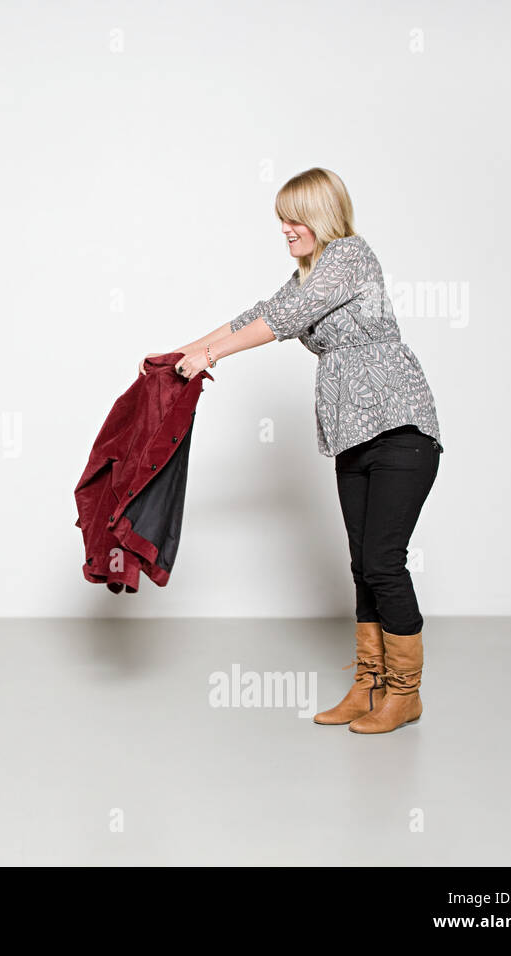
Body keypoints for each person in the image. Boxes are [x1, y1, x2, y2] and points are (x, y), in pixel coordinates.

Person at [142, 167, 442, 734]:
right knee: (361, 565)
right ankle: (368, 686)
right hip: (352, 437)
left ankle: (406, 694)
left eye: (294, 216)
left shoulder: (352, 256)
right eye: (280, 217)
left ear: (323, 214)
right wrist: (175, 353)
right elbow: (255, 314)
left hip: (401, 432)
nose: (285, 227)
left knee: (383, 561)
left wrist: (215, 357)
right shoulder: (308, 274)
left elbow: (282, 323)